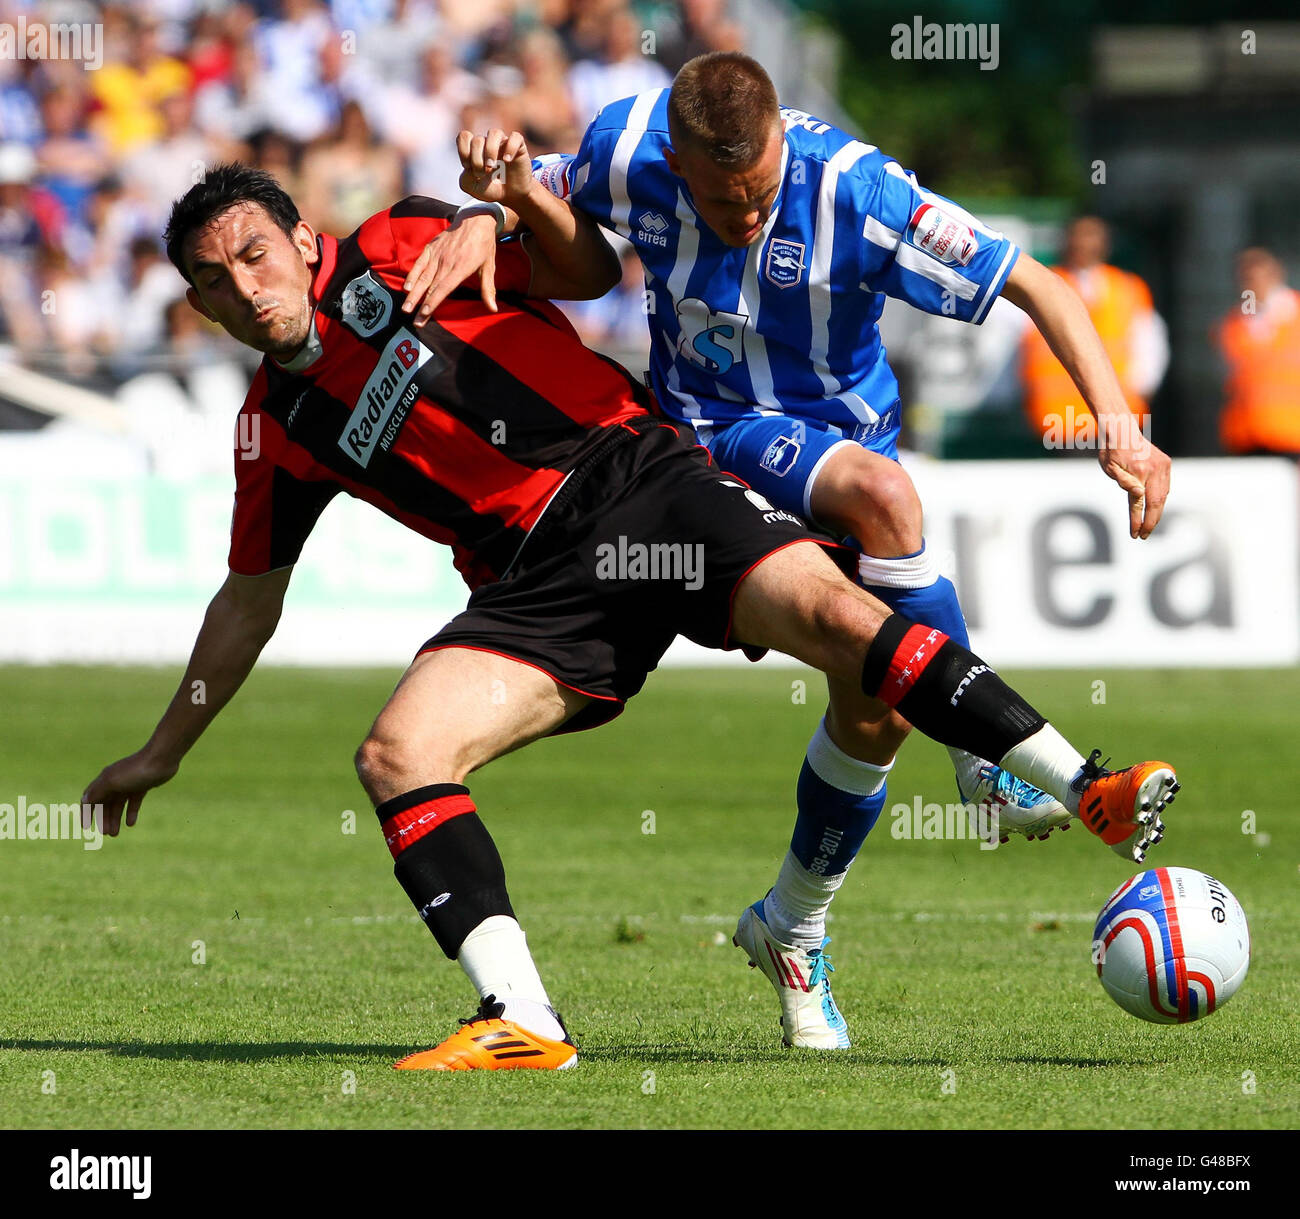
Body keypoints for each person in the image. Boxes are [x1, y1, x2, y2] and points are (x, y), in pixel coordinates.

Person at [83, 164, 1176, 1070]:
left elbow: (586, 268)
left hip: (635, 476)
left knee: (843, 626)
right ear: (200, 309)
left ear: (303, 240)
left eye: (254, 253)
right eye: (215, 280)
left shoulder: (395, 243)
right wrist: (160, 749)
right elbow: (247, 600)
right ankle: (522, 1018)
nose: (243, 285)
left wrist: (499, 208)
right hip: (534, 588)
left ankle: (1085, 784)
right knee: (399, 752)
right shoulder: (274, 429)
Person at [407, 51, 1174, 1049]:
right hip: (695, 444)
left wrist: (1117, 422)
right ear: (677, 161)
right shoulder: (627, 147)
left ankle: (792, 928)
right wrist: (486, 205)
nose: (747, 215)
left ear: (780, 140)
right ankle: (999, 760)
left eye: (761, 191)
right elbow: (547, 209)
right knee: (885, 498)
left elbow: (1038, 286)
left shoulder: (860, 190)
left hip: (836, 435)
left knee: (873, 713)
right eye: (723, 202)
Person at [1020, 214, 1167, 449]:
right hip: (1057, 419)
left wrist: (1142, 389)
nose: (1083, 244)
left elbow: (1149, 346)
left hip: (1118, 419)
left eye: (1091, 236)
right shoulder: (1045, 284)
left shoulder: (1128, 287)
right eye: (1078, 236)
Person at [1216, 247, 1300, 458]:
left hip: (1292, 435)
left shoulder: (1293, 312)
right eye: (1247, 278)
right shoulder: (1235, 322)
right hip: (1246, 435)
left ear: (1277, 273)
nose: (1254, 283)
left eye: (1260, 275)